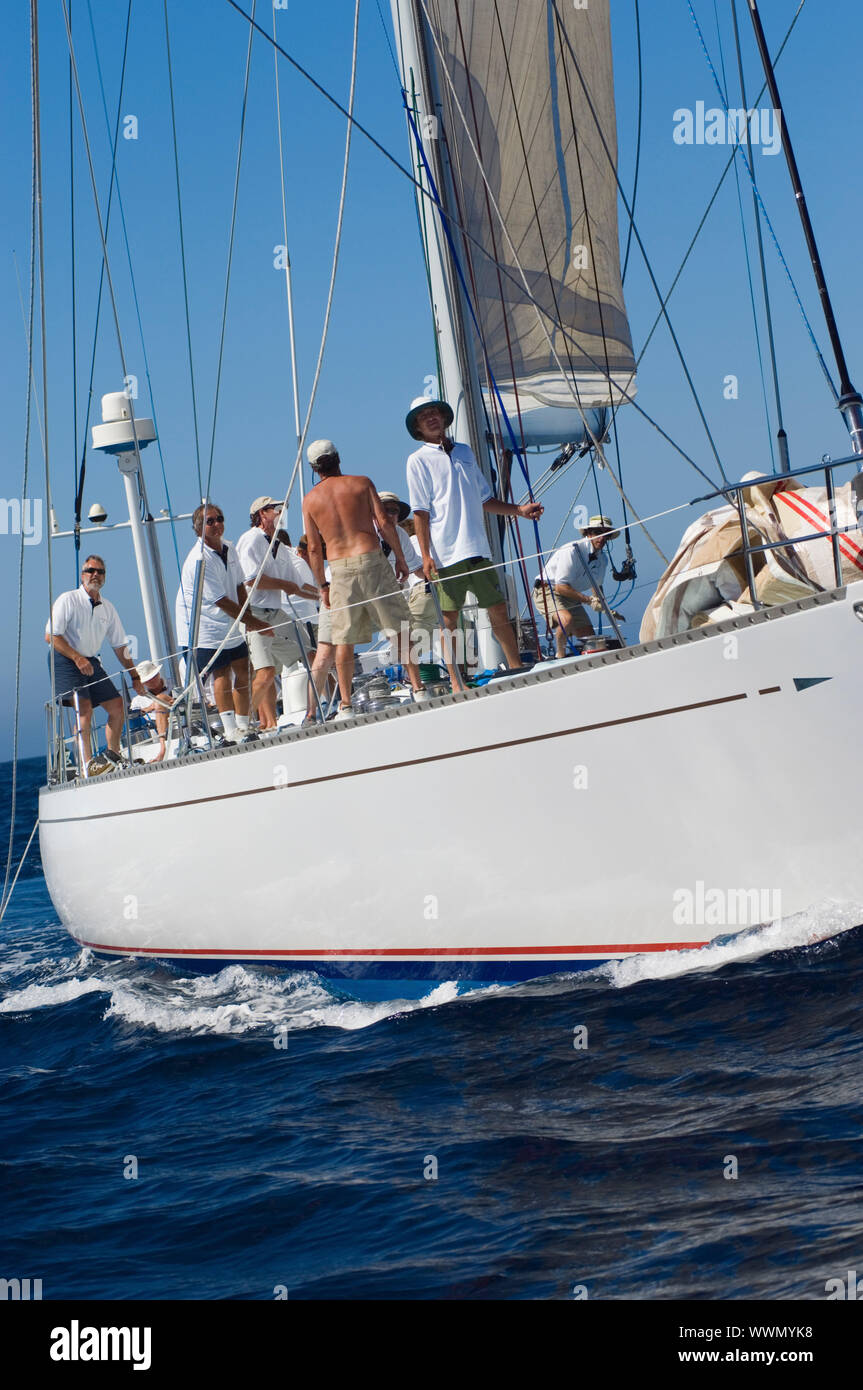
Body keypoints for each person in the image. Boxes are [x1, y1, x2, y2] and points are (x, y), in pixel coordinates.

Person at [404, 397, 543, 687]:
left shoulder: (465, 452)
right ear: (417, 426)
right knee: (449, 619)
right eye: (424, 416)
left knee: (498, 608)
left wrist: (519, 510)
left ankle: (516, 667)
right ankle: (456, 680)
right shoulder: (417, 460)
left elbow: (485, 499)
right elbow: (420, 511)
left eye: (435, 413)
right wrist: (426, 555)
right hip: (445, 553)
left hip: (478, 546)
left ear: (443, 418)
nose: (431, 418)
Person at [301, 440, 426, 720]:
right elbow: (382, 522)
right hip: (370, 558)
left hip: (339, 568)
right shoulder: (361, 483)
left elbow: (312, 548)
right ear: (338, 458)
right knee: (397, 627)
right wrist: (401, 558)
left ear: (314, 468)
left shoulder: (310, 500)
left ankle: (345, 704)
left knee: (343, 640)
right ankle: (418, 688)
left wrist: (323, 584)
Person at [178, 503, 272, 744]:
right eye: (210, 521)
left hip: (231, 622)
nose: (216, 524)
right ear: (199, 529)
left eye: (219, 518)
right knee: (222, 675)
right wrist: (254, 622)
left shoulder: (229, 547)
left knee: (245, 670)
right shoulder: (198, 559)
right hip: (206, 627)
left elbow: (240, 585)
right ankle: (230, 730)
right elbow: (220, 600)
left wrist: (247, 616)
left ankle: (243, 725)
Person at [45, 555, 143, 763]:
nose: (95, 575)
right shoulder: (68, 599)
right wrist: (77, 658)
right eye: (91, 571)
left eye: (100, 572)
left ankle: (113, 756)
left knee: (118, 706)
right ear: (82, 576)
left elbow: (120, 647)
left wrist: (135, 676)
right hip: (65, 658)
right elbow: (51, 636)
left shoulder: (108, 608)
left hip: (90, 660)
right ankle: (87, 766)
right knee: (85, 711)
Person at [235, 496, 320, 731]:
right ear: (262, 514)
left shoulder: (279, 547)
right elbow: (251, 580)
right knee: (265, 672)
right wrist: (283, 585)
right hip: (255, 615)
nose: (281, 512)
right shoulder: (250, 540)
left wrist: (324, 596)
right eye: (275, 509)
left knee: (311, 653)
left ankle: (317, 710)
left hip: (276, 613)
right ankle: (242, 723)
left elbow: (297, 585)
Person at [533, 515, 625, 658]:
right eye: (597, 533)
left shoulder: (602, 559)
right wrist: (589, 600)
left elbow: (596, 585)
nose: (601, 538)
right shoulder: (571, 550)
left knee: (591, 640)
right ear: (588, 533)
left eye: (605, 534)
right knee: (566, 620)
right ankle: (560, 656)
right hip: (548, 590)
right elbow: (560, 587)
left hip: (571, 594)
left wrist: (606, 608)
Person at [377, 490, 439, 660]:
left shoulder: (401, 535)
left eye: (394, 511)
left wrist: (439, 577)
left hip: (389, 595)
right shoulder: (365, 533)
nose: (390, 515)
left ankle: (413, 682)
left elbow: (417, 568)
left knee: (405, 644)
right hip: (365, 593)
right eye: (385, 510)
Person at [129, 658, 175, 762]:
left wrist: (155, 705)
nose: (152, 681)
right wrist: (151, 707)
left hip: (176, 722)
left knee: (161, 698)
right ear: (143, 683)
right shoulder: (137, 701)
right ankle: (162, 746)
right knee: (160, 700)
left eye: (154, 676)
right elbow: (134, 717)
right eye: (148, 680)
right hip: (151, 732)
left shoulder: (174, 683)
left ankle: (162, 749)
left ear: (158, 673)